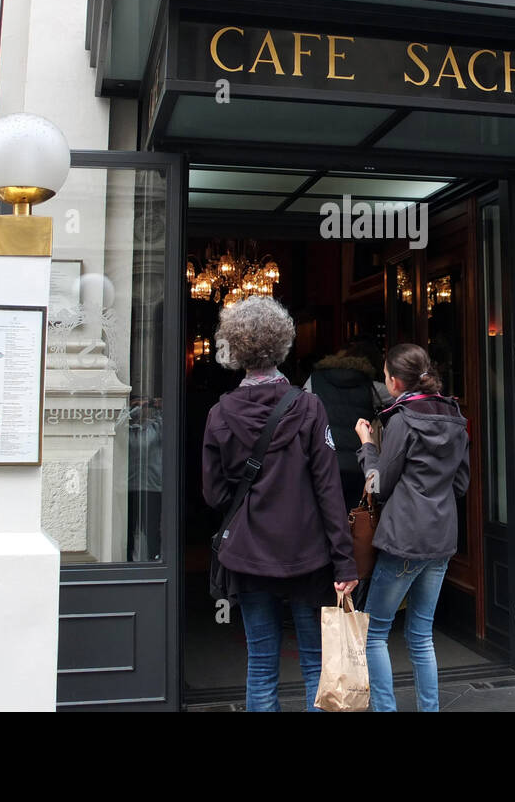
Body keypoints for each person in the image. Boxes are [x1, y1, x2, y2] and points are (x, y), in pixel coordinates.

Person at [201, 296, 357, 712]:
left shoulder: (220, 413)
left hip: (249, 556)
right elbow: (329, 489)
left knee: (261, 665)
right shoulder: (308, 407)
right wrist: (345, 561)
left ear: (235, 351)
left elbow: (213, 495)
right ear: (284, 346)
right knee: (314, 665)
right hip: (307, 555)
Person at [355, 342, 469, 712]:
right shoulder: (455, 416)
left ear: (394, 381)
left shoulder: (402, 419)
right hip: (441, 539)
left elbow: (379, 485)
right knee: (421, 636)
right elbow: (461, 485)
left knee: (375, 634)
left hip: (404, 539)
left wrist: (367, 446)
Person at [305, 343, 385, 510]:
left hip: (325, 463)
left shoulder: (315, 380)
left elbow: (302, 412)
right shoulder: (371, 386)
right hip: (361, 465)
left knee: (327, 516)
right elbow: (399, 397)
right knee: (360, 516)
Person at [126, 394, 163, 561]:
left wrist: (157, 407)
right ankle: (127, 564)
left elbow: (167, 421)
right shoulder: (126, 430)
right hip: (129, 488)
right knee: (128, 535)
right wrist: (131, 410)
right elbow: (114, 424)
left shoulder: (155, 427)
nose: (142, 408)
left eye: (145, 404)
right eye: (137, 404)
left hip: (152, 488)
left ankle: (154, 563)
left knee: (152, 535)